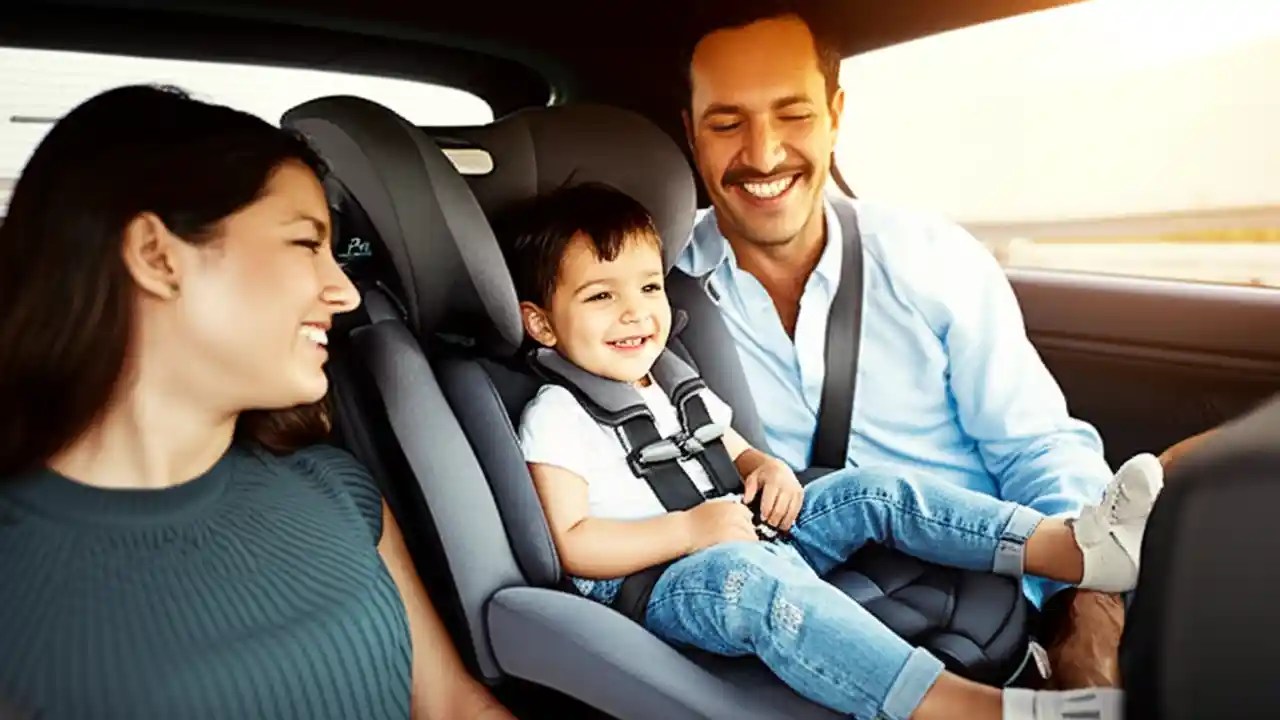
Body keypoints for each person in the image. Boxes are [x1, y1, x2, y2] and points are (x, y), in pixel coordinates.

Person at [503, 181, 1163, 720]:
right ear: (540, 322)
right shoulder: (557, 414)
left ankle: (1071, 547)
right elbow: (572, 543)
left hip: (740, 529)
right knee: (764, 587)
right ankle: (976, 710)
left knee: (870, 488)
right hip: (662, 585)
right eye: (600, 297)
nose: (634, 312)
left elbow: (731, 450)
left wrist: (768, 469)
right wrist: (689, 531)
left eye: (648, 288)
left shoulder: (670, 378)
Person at [0, 85, 514, 720]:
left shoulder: (337, 490)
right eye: (305, 244)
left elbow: (451, 706)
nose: (344, 294)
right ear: (158, 257)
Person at [674, 1, 1145, 688]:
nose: (764, 153)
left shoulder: (932, 259)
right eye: (727, 123)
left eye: (793, 114)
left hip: (998, 611)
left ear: (835, 112)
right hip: (815, 634)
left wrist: (1084, 617)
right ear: (690, 135)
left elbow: (1037, 450)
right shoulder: (646, 300)